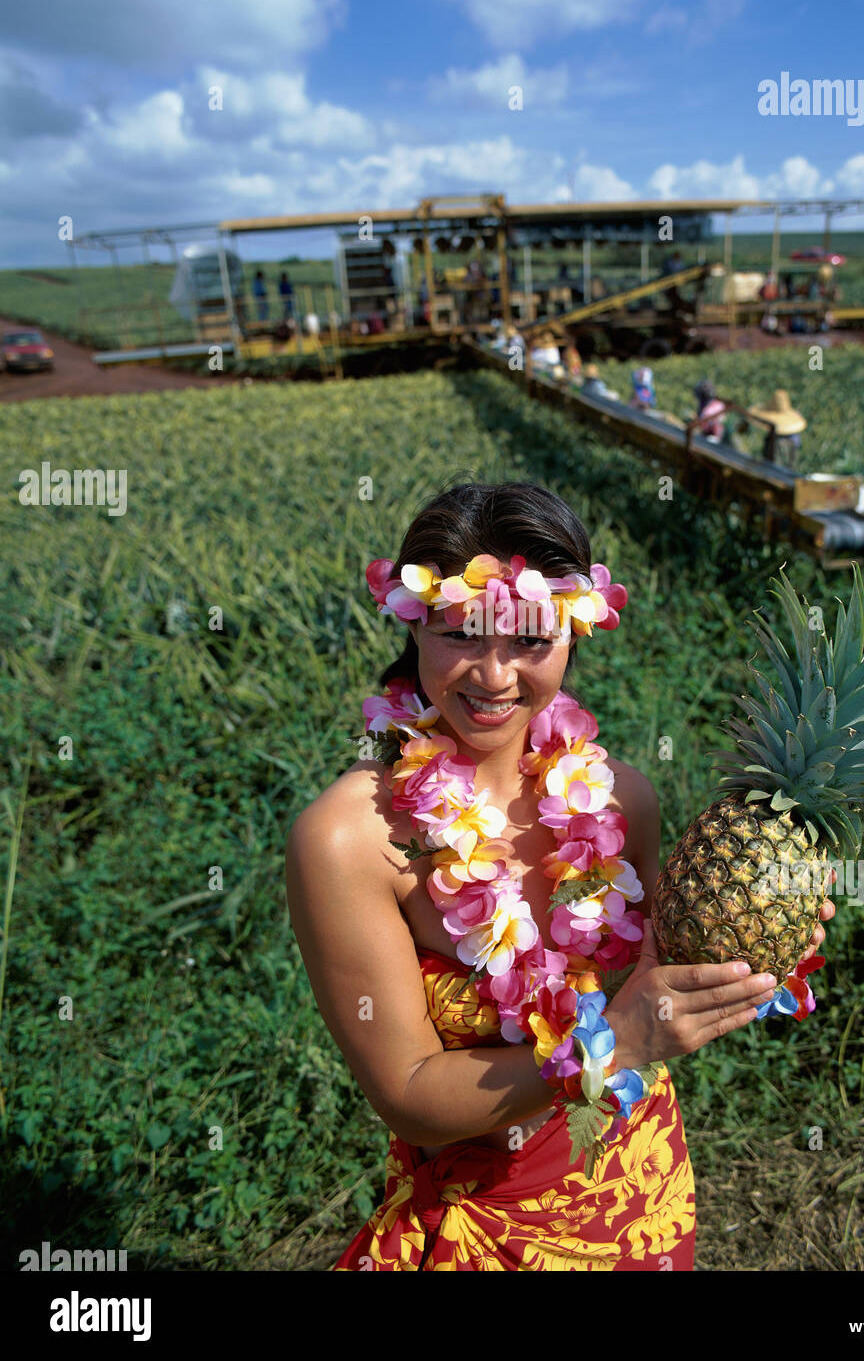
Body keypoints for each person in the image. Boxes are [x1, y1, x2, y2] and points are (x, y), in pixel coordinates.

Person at [286, 481, 836, 1271]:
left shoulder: (622, 799)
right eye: (462, 634)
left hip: (643, 1187)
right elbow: (407, 1094)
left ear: (574, 636)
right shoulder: (349, 839)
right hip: (487, 1233)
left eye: (531, 641)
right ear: (416, 628)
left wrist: (758, 935)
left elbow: (660, 980)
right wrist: (615, 1045)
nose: (495, 675)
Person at [694, 378, 727, 443]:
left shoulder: (717, 406)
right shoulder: (704, 407)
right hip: (705, 436)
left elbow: (714, 424)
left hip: (715, 439)